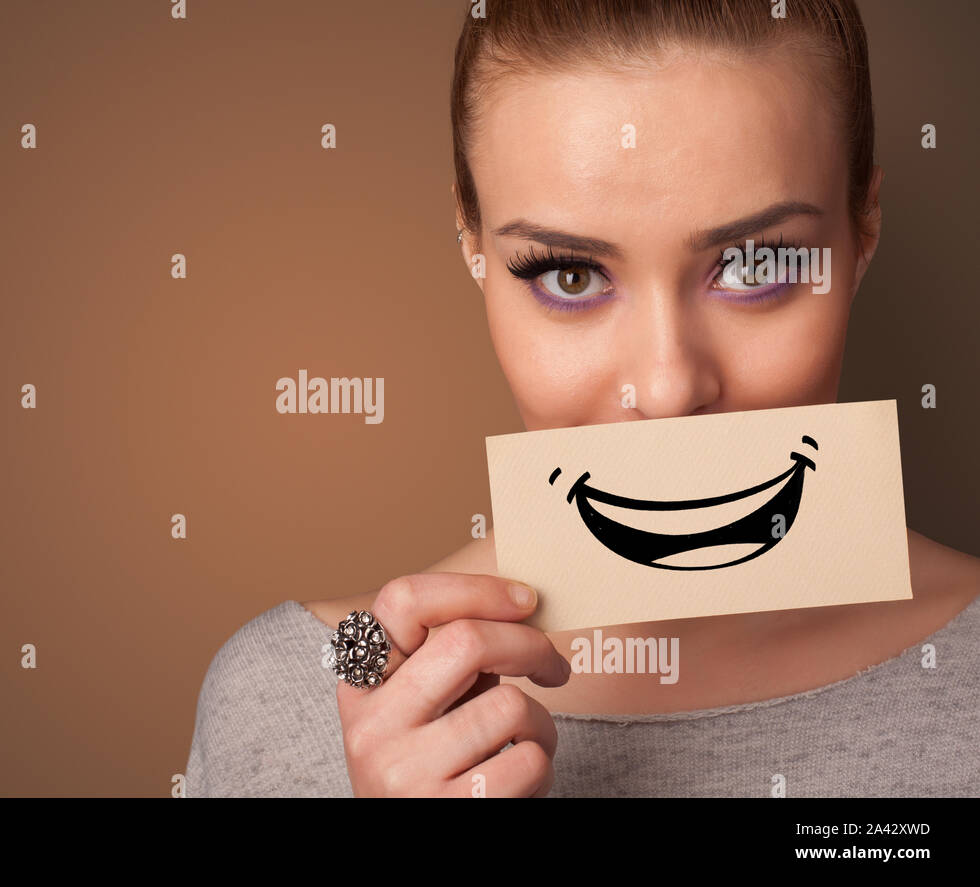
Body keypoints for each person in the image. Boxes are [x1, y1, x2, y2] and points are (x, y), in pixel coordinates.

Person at [185, 0, 980, 797]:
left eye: (756, 265)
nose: (667, 388)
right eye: (571, 274)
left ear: (864, 224)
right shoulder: (292, 699)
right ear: (472, 243)